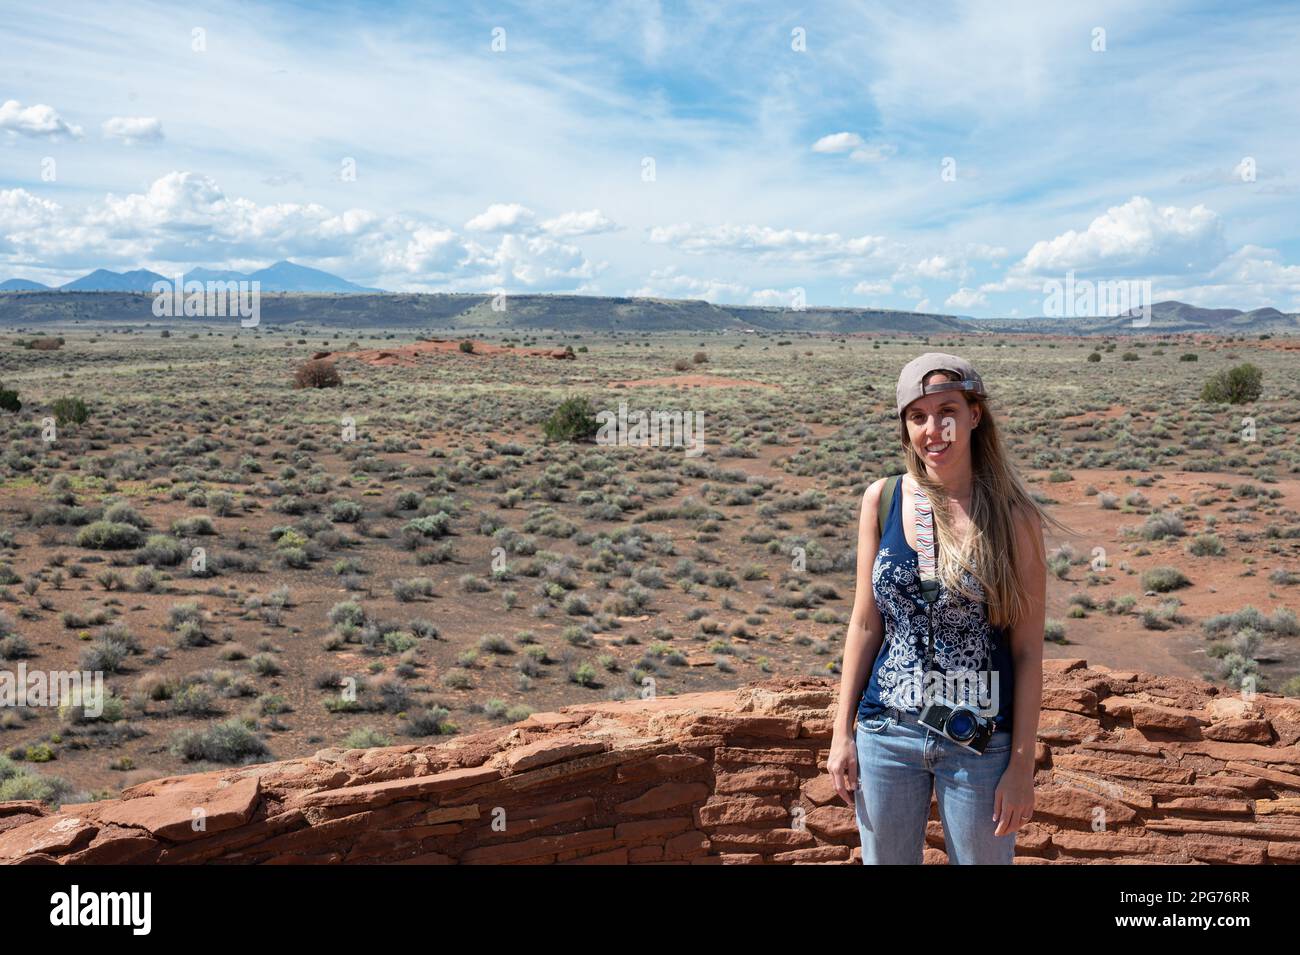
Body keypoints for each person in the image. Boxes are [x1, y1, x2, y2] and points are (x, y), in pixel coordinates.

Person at [826, 352, 1069, 864]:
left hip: (980, 741)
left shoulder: (1013, 517)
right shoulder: (883, 499)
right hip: (886, 733)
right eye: (918, 416)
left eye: (947, 412)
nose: (933, 429)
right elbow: (866, 623)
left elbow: (1026, 652)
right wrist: (840, 734)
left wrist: (1022, 765)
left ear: (974, 414)